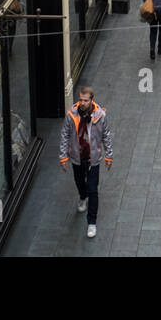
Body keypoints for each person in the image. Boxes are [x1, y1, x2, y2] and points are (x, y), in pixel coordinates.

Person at [58, 86, 113, 238]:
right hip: (77, 157)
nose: (82, 103)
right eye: (80, 100)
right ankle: (83, 197)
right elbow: (65, 135)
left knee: (93, 189)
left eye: (85, 100)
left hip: (93, 159)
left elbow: (106, 135)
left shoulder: (100, 115)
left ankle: (92, 223)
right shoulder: (71, 115)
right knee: (80, 182)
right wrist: (63, 157)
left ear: (91, 100)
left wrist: (109, 156)